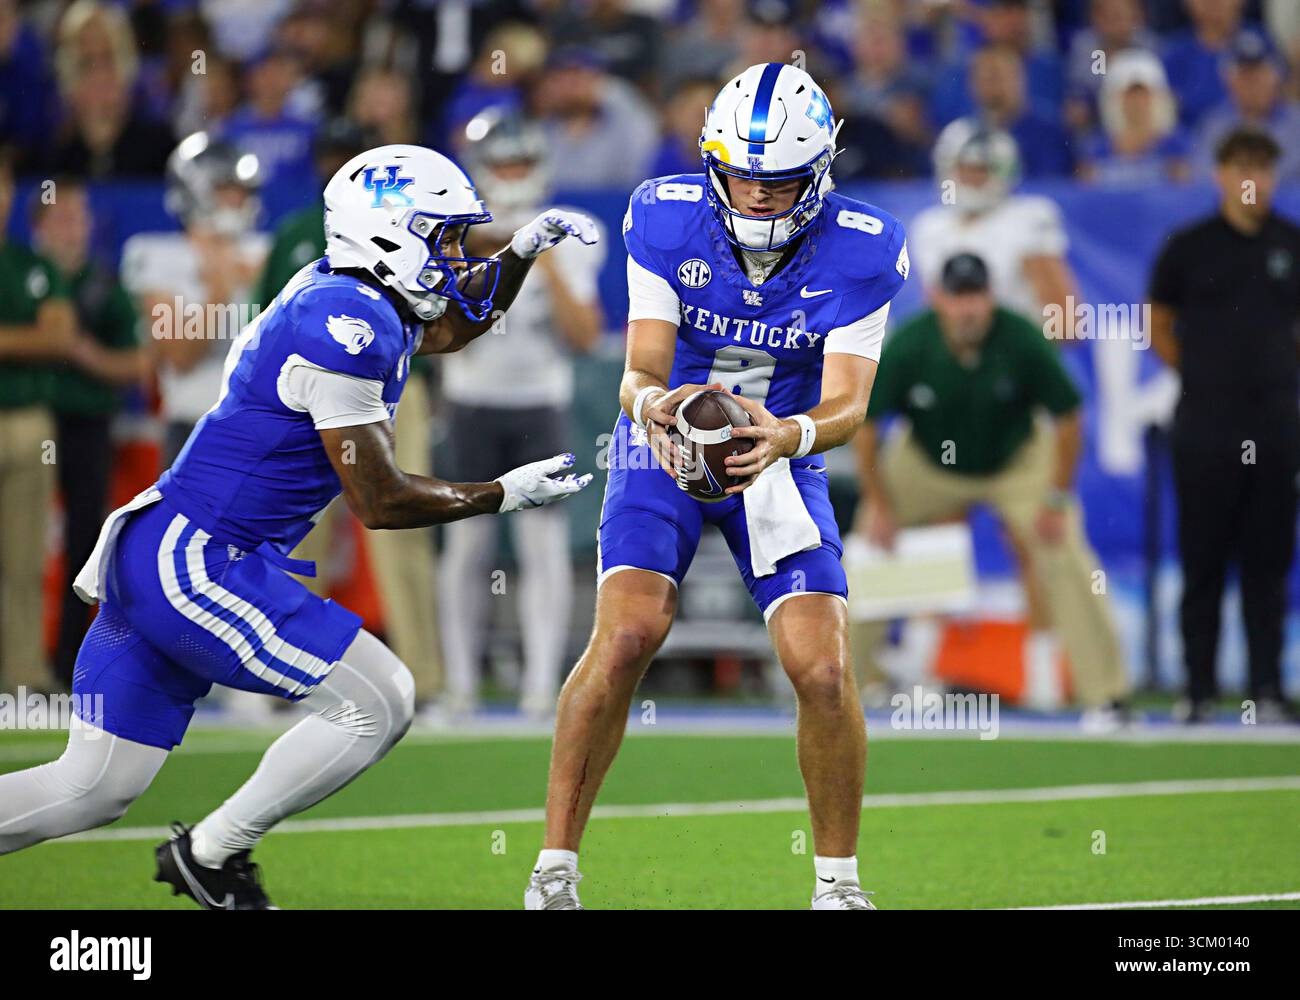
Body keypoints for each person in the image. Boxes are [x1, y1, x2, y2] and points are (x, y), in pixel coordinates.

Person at [0, 143, 598, 909]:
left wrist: (515, 253)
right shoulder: (343, 324)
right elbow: (379, 501)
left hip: (167, 550)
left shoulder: (351, 296)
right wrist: (501, 495)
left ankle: (209, 855)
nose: (455, 256)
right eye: (443, 237)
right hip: (199, 561)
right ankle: (210, 856)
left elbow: (453, 328)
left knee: (90, 788)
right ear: (390, 234)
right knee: (379, 699)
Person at [525, 63, 907, 911]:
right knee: (626, 636)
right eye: (741, 177)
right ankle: (553, 871)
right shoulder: (665, 219)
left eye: (778, 183)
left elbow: (847, 401)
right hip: (662, 443)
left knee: (822, 666)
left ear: (818, 177)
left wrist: (787, 437)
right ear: (710, 164)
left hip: (777, 448)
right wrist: (656, 409)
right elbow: (639, 370)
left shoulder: (862, 247)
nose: (758, 197)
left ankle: (838, 887)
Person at [853, 253, 1132, 730]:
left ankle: (1106, 697)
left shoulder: (1020, 338)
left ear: (990, 299)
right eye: (957, 298)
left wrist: (1057, 498)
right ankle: (848, 685)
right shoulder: (911, 343)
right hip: (926, 461)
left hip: (1016, 461)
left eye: (975, 297)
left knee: (1064, 553)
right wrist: (880, 505)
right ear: (937, 299)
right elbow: (866, 428)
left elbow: (1068, 418)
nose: (967, 309)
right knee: (868, 551)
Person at [439, 112, 605, 720]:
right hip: (471, 403)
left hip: (540, 403)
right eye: (502, 165)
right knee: (466, 549)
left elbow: (586, 334)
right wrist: (495, 249)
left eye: (521, 164)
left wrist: (543, 255)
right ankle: (460, 687)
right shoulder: (456, 233)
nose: (511, 176)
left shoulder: (571, 232)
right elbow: (440, 324)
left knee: (541, 550)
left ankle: (540, 688)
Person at [1149, 126, 1300, 725]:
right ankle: (1198, 688)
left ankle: (1266, 686)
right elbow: (1159, 322)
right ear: (1220, 175)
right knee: (1202, 559)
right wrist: (1206, 375)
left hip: (1276, 424)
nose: (1251, 180)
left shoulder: (1291, 242)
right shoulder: (1189, 246)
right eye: (1241, 167)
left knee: (1269, 560)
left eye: (1262, 169)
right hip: (1206, 424)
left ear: (1274, 177)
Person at [30, 178, 145, 689]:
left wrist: (82, 352)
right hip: (28, 420)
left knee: (83, 550)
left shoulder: (101, 285)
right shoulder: (21, 274)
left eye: (78, 219)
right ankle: (21, 661)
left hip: (84, 426)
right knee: (21, 545)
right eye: (60, 218)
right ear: (37, 228)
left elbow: (137, 364)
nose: (71, 230)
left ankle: (68, 665)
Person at [120, 132, 269, 469]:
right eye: (226, 189)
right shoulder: (157, 254)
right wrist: (220, 291)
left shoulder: (266, 251)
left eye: (242, 190)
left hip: (262, 426)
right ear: (196, 191)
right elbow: (181, 355)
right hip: (192, 425)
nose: (238, 199)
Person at [0, 151, 76, 694]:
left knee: (25, 558)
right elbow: (42, 336)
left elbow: (58, 337)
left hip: (28, 422)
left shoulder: (33, 265)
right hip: (24, 411)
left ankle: (23, 675)